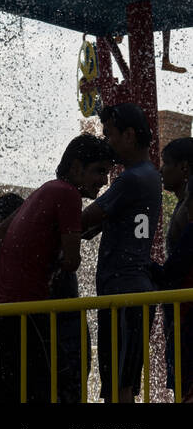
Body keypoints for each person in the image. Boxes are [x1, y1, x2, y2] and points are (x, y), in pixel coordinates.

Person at [0, 134, 111, 403]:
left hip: (1, 315)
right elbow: (72, 262)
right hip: (26, 314)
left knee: (12, 389)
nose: (104, 181)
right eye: (99, 171)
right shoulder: (68, 194)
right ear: (76, 168)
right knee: (45, 388)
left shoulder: (46, 189)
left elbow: (11, 236)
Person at [83, 103, 163, 403]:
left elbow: (85, 219)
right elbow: (104, 224)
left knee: (117, 385)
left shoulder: (130, 179)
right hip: (136, 290)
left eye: (110, 134)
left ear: (129, 135)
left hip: (122, 290)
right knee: (125, 382)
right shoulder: (149, 175)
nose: (107, 142)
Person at [149, 137, 193, 401]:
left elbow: (189, 244)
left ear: (184, 168)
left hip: (187, 308)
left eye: (166, 164)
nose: (161, 170)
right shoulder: (183, 202)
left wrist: (160, 272)